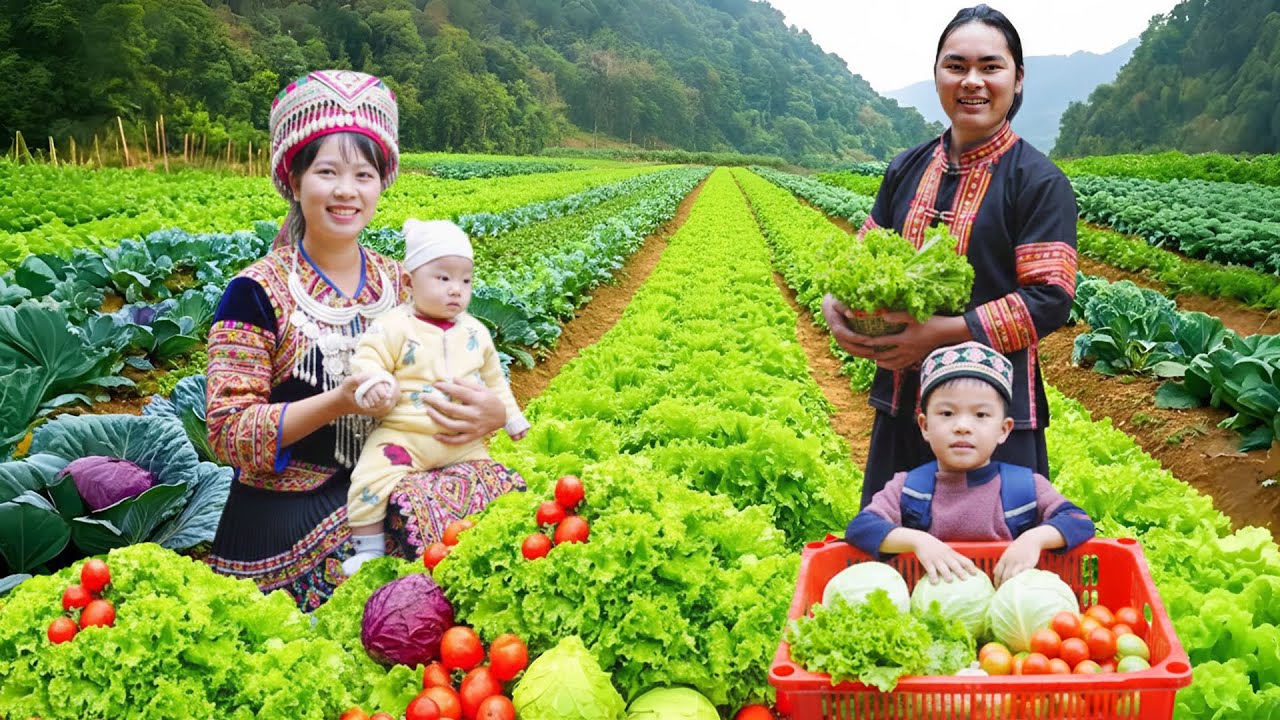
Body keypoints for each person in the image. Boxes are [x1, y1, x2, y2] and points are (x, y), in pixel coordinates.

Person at [205, 70, 523, 611]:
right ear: (295, 179)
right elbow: (229, 433)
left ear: (382, 183)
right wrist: (339, 401)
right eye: (327, 171)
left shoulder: (403, 281)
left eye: (364, 174)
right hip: (291, 503)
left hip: (400, 469)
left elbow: (468, 356)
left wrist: (493, 411)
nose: (347, 190)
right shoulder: (254, 292)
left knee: (505, 510)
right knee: (405, 574)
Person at [821, 5, 1078, 510]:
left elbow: (1050, 299)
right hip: (906, 405)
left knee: (998, 564)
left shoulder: (1039, 182)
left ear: (1018, 79)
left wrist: (937, 333)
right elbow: (865, 253)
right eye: (956, 66)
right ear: (937, 74)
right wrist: (835, 304)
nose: (972, 82)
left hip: (993, 416)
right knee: (896, 550)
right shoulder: (907, 167)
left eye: (991, 66)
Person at [341, 218, 531, 575]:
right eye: (443, 279)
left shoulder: (476, 331)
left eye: (465, 280)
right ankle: (367, 550)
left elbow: (495, 379)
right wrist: (376, 382)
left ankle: (499, 534)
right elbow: (367, 358)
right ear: (410, 283)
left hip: (463, 442)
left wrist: (512, 418)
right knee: (368, 479)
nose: (456, 290)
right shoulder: (394, 325)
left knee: (495, 480)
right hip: (403, 436)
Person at [845, 342, 1095, 586]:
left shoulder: (1025, 488)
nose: (962, 426)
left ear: (1004, 429)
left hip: (1008, 621)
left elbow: (1078, 520)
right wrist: (918, 541)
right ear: (925, 426)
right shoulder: (908, 489)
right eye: (947, 414)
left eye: (981, 415)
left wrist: (1035, 538)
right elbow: (861, 528)